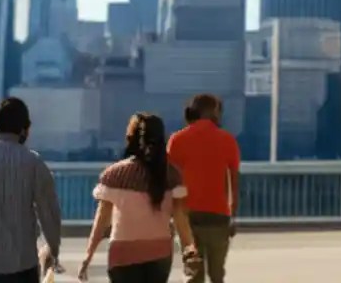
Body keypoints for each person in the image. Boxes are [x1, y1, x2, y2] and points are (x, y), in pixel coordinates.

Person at [78, 113, 201, 282]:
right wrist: (189, 250)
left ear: (131, 138)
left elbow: (102, 219)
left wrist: (88, 255)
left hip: (123, 254)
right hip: (159, 253)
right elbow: (181, 219)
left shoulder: (115, 175)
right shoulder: (171, 175)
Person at [0, 97, 62, 283]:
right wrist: (53, 250)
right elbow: (48, 213)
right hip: (21, 265)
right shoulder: (33, 162)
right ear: (24, 129)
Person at [167, 94, 241, 283]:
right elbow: (233, 182)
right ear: (213, 111)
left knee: (193, 275)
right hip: (218, 216)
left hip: (186, 217)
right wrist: (233, 216)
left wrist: (168, 216)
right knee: (217, 275)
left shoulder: (177, 140)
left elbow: (169, 182)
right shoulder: (227, 140)